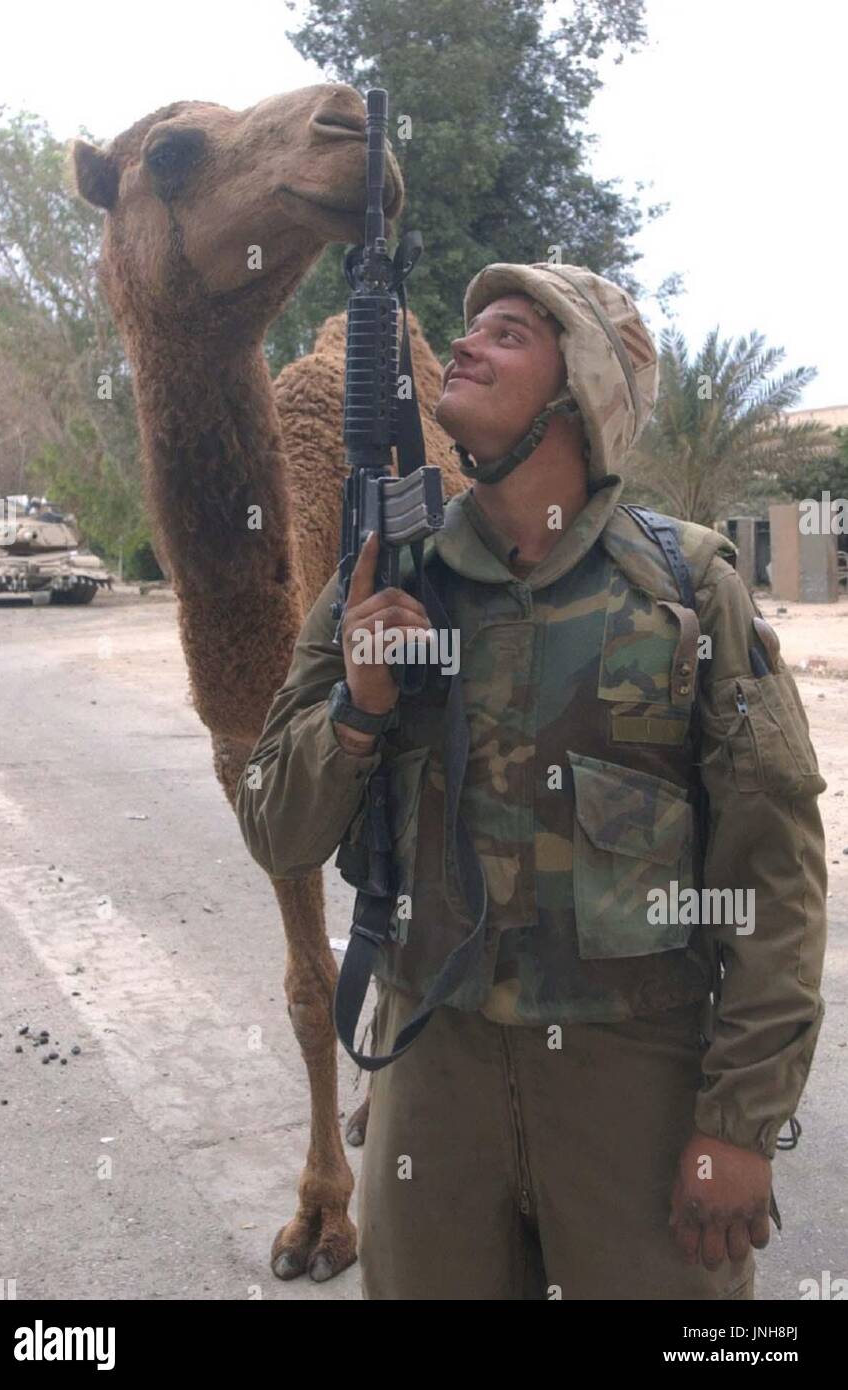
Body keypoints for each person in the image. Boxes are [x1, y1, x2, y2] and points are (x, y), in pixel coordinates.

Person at [236, 262, 827, 1300]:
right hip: (432, 1073)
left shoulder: (685, 589)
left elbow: (773, 878)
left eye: (507, 333)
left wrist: (737, 1124)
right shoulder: (380, 579)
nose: (462, 345)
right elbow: (275, 831)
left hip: (631, 1079)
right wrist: (359, 708)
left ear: (579, 395)